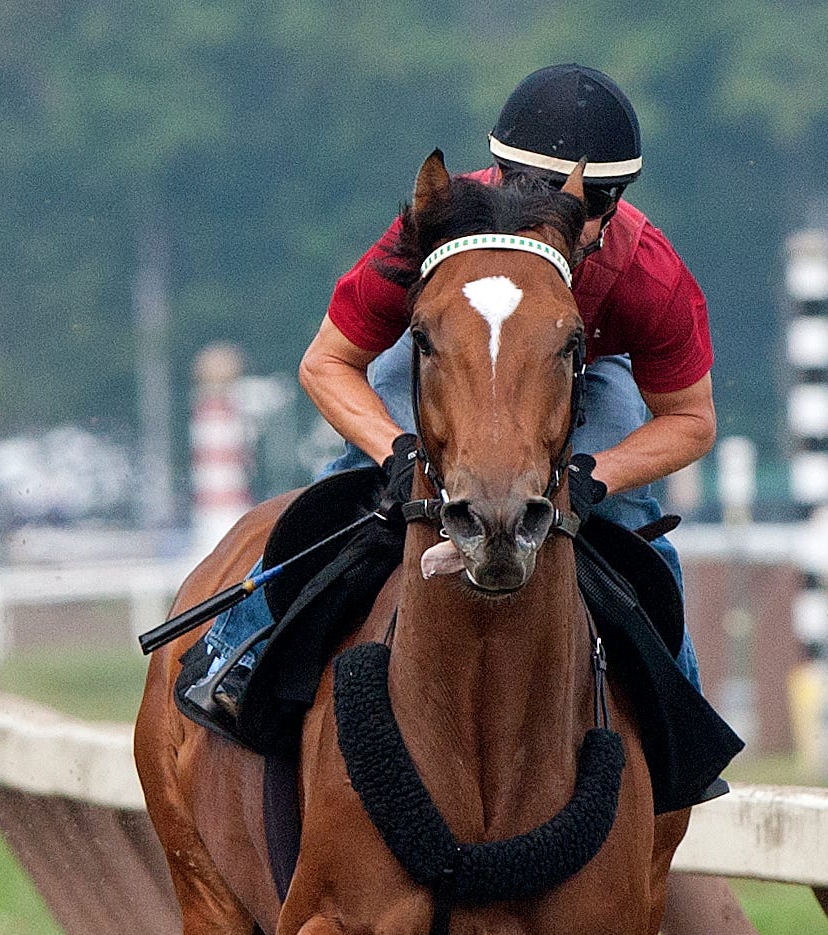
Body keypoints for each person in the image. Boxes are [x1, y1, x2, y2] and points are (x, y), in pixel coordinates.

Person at [193, 63, 715, 720]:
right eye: (535, 193)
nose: (557, 222)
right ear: (500, 177)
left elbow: (692, 418)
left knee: (631, 520)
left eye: (587, 204)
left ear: (612, 203)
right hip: (447, 360)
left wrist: (596, 476)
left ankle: (683, 718)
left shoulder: (647, 271)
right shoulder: (433, 226)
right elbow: (327, 362)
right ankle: (239, 649)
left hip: (574, 372)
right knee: (356, 485)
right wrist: (394, 450)